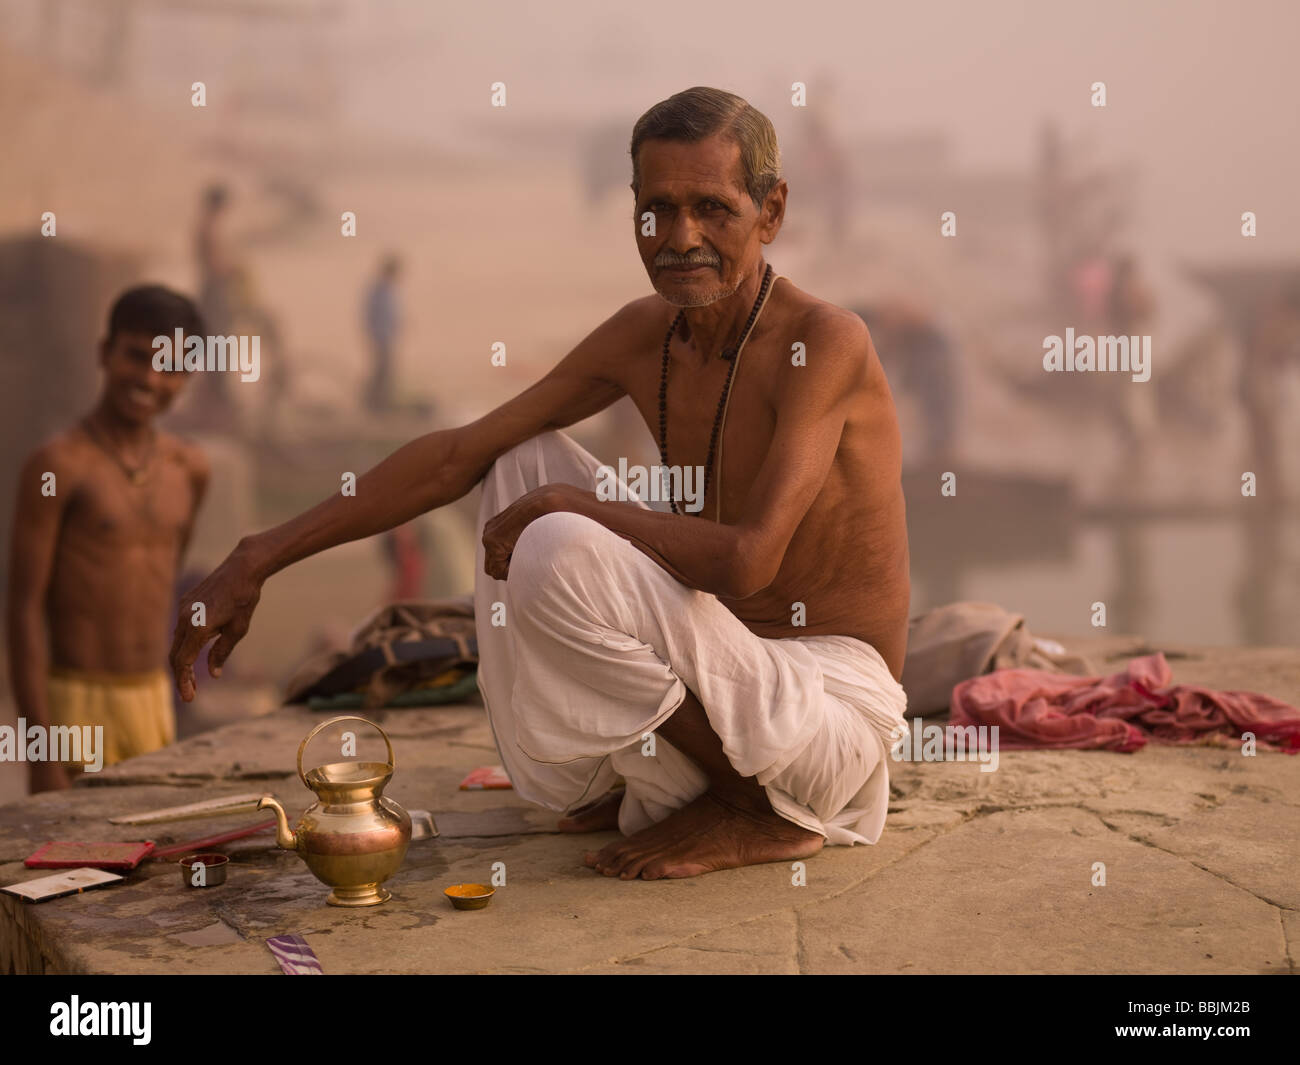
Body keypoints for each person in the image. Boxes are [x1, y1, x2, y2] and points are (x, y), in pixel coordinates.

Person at [171, 87, 910, 880]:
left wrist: (580, 508)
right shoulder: (646, 333)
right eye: (656, 210)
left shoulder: (824, 341)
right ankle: (645, 772)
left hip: (824, 729)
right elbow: (459, 455)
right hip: (728, 700)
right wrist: (260, 555)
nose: (680, 238)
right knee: (522, 462)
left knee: (557, 533)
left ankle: (746, 807)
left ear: (771, 212)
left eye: (712, 209)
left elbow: (751, 562)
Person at [9, 286, 210, 792]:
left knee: (151, 863)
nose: (149, 378)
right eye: (136, 357)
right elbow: (23, 609)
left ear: (187, 375)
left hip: (150, 700)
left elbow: (163, 589)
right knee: (76, 866)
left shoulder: (191, 470)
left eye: (169, 366)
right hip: (75, 701)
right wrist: (41, 750)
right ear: (106, 353)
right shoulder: (59, 465)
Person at [364, 254, 402, 412]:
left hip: (387, 336)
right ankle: (373, 402)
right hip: (380, 337)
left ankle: (381, 402)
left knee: (386, 370)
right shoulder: (378, 290)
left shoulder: (388, 290)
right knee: (381, 370)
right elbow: (371, 315)